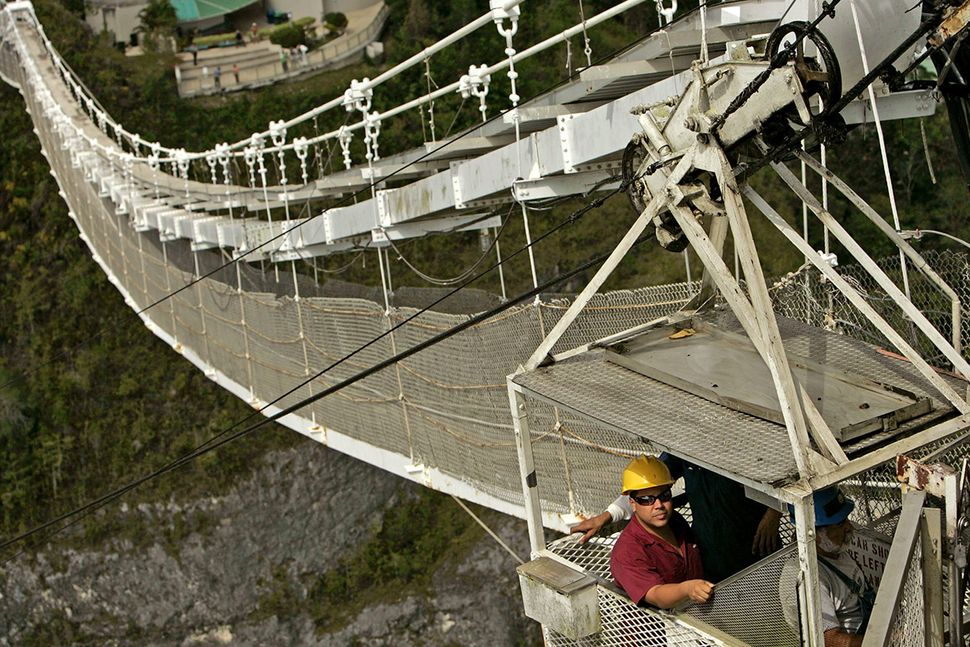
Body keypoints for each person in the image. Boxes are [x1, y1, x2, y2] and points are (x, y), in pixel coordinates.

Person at [572, 453, 781, 583]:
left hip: (757, 549)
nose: (659, 503)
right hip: (712, 556)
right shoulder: (683, 451)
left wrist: (774, 512)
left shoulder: (743, 444)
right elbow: (647, 485)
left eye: (665, 497)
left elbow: (781, 469)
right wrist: (608, 516)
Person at [610, 455, 713, 609]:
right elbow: (656, 595)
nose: (658, 505)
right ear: (633, 504)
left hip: (693, 616)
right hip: (653, 630)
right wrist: (688, 589)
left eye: (664, 496)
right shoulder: (627, 551)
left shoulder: (675, 521)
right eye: (647, 499)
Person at [779, 487, 874, 646]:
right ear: (814, 533)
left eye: (847, 519)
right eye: (840, 524)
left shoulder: (836, 550)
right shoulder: (806, 577)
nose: (850, 528)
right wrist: (883, 641)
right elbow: (829, 640)